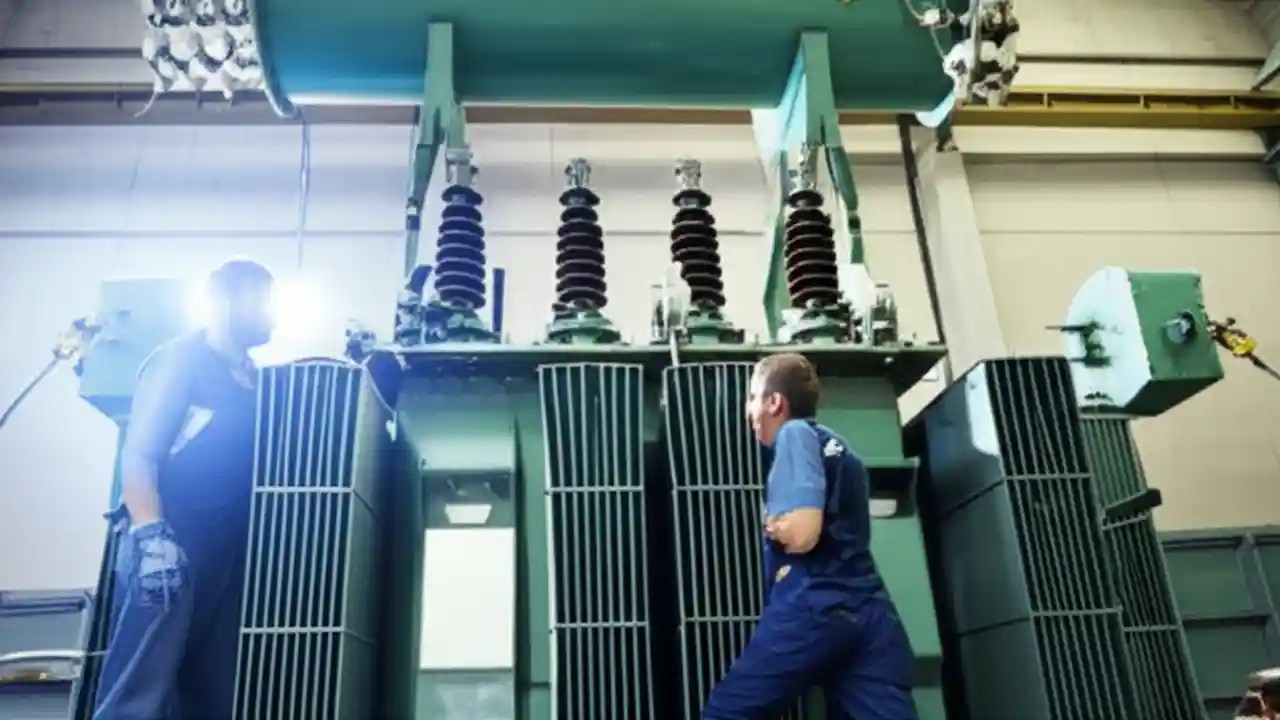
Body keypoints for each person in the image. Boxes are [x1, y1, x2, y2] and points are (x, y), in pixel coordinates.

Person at [94, 259, 275, 720]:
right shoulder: (184, 358)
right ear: (224, 301)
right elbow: (139, 454)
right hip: (172, 547)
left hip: (225, 553)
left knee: (209, 693)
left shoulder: (256, 381)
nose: (270, 313)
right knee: (140, 687)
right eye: (261, 300)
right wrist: (152, 536)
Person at [702, 353, 917, 720]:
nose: (749, 412)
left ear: (775, 402)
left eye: (753, 398)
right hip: (871, 614)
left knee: (726, 713)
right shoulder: (841, 448)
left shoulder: (794, 435)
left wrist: (775, 526)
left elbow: (802, 534)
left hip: (814, 604)